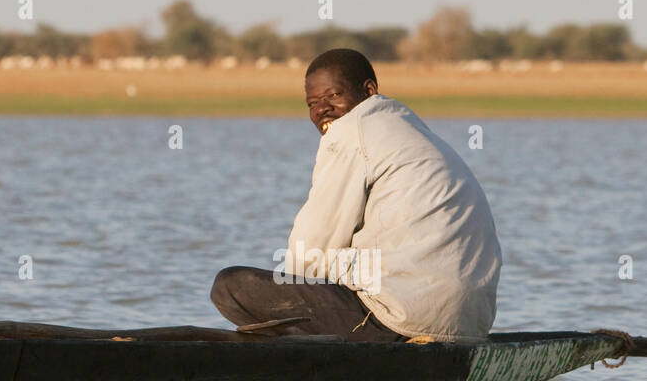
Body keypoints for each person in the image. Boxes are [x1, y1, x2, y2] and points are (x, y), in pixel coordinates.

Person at [211, 48, 501, 342]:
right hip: (469, 325)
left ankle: (303, 361)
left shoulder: (353, 130)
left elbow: (308, 249)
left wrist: (295, 296)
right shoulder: (408, 127)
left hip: (401, 319)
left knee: (230, 287)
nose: (321, 109)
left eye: (333, 96)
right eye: (312, 103)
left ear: (369, 91)